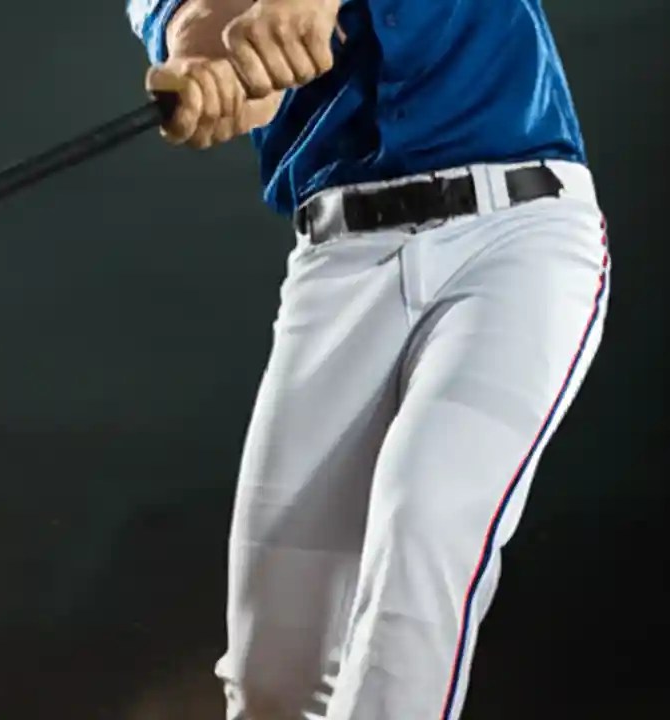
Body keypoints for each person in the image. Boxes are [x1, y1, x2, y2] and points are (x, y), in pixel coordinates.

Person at [124, 0, 611, 718]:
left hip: (513, 232)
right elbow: (205, 27)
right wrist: (213, 66)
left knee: (424, 522)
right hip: (338, 262)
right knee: (273, 680)